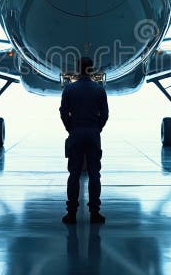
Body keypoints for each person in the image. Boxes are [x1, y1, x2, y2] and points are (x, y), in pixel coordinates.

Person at [59, 57, 109, 224]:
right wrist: (97, 128)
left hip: (76, 133)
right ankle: (95, 212)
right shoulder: (99, 89)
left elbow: (63, 112)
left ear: (78, 69)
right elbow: (105, 114)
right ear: (91, 69)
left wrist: (71, 128)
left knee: (74, 174)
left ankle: (71, 213)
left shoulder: (69, 89)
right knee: (95, 175)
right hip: (93, 133)